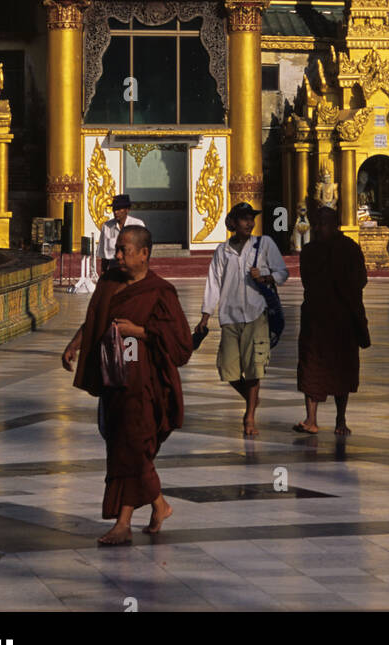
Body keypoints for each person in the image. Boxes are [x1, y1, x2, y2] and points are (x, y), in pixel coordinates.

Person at [62, 225, 192, 544]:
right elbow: (94, 320)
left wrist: (141, 331)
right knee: (123, 448)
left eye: (125, 250)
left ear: (144, 254)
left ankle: (131, 520)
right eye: (118, 249)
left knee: (132, 448)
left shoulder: (160, 292)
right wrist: (75, 344)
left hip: (145, 385)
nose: (117, 255)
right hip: (115, 381)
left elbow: (182, 344)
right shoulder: (109, 283)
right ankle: (153, 508)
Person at [196, 202, 288, 438]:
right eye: (244, 219)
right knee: (228, 370)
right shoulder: (222, 251)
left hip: (256, 314)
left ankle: (249, 416)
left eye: (251, 218)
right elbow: (214, 283)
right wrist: (205, 316)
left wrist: (266, 277)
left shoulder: (263, 244)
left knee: (254, 368)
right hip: (229, 315)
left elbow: (282, 272)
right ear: (233, 223)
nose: (249, 223)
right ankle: (251, 399)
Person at [294, 206, 370, 437]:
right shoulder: (309, 251)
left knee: (341, 369)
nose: (318, 228)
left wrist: (343, 292)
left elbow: (361, 280)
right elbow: (308, 280)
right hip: (315, 317)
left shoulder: (349, 248)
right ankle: (311, 419)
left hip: (342, 318)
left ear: (336, 225)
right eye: (316, 224)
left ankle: (341, 418)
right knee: (310, 366)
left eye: (323, 224)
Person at [97, 194, 141, 273]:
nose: (115, 212)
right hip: (113, 267)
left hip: (132, 267)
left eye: (119, 209)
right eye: (114, 209)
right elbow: (104, 256)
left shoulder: (137, 225)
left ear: (127, 210)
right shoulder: (107, 226)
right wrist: (103, 274)